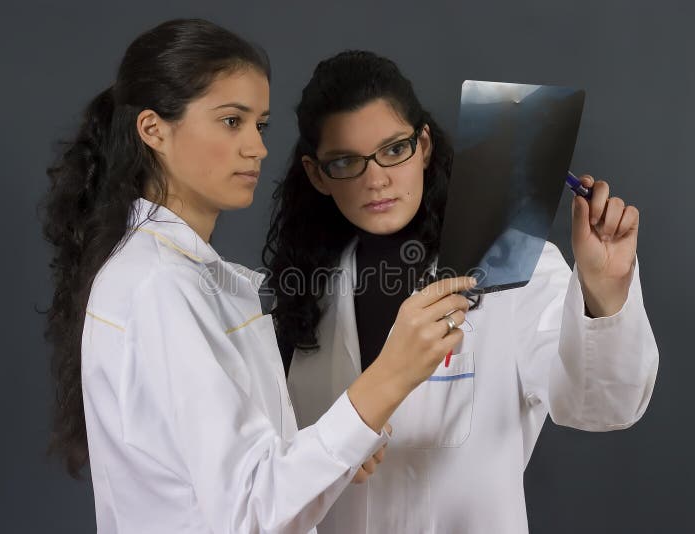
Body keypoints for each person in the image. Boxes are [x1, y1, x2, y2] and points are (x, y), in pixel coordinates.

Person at [42, 21, 475, 533]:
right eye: (231, 121)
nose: (257, 148)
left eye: (260, 126)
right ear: (154, 130)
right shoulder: (160, 287)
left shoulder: (182, 276)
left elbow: (238, 472)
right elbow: (251, 509)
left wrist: (335, 449)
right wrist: (391, 375)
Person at [264, 50, 659, 533]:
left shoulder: (510, 273)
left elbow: (601, 405)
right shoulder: (302, 296)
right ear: (316, 173)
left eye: (394, 149)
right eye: (346, 161)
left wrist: (603, 292)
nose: (377, 179)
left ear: (424, 145)